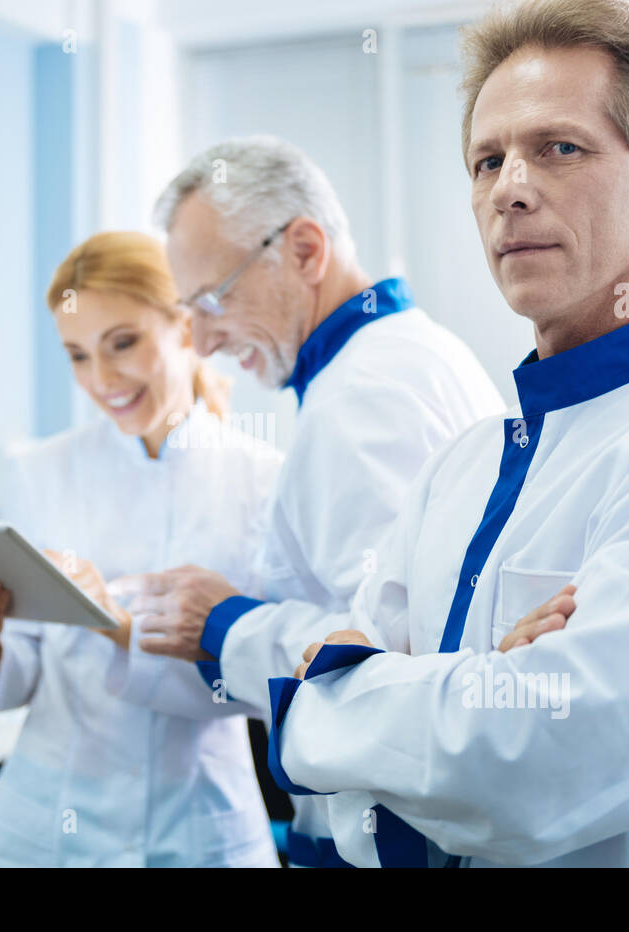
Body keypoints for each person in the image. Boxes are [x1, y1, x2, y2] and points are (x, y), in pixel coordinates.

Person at [264, 0, 629, 867]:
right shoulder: (460, 467)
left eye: (559, 148)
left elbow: (540, 765)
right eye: (487, 160)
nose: (509, 187)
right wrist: (474, 692)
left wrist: (332, 703)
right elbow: (345, 804)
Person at [121, 136, 505, 866]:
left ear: (304, 250)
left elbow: (391, 654)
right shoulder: (409, 353)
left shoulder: (361, 397)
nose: (200, 341)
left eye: (213, 298)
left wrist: (224, 623)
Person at [0, 231, 284, 867]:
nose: (102, 378)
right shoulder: (41, 471)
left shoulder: (263, 479)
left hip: (200, 830)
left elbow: (266, 681)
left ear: (182, 326)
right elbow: (20, 673)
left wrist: (118, 626)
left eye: (123, 343)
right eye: (77, 355)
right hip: (46, 830)